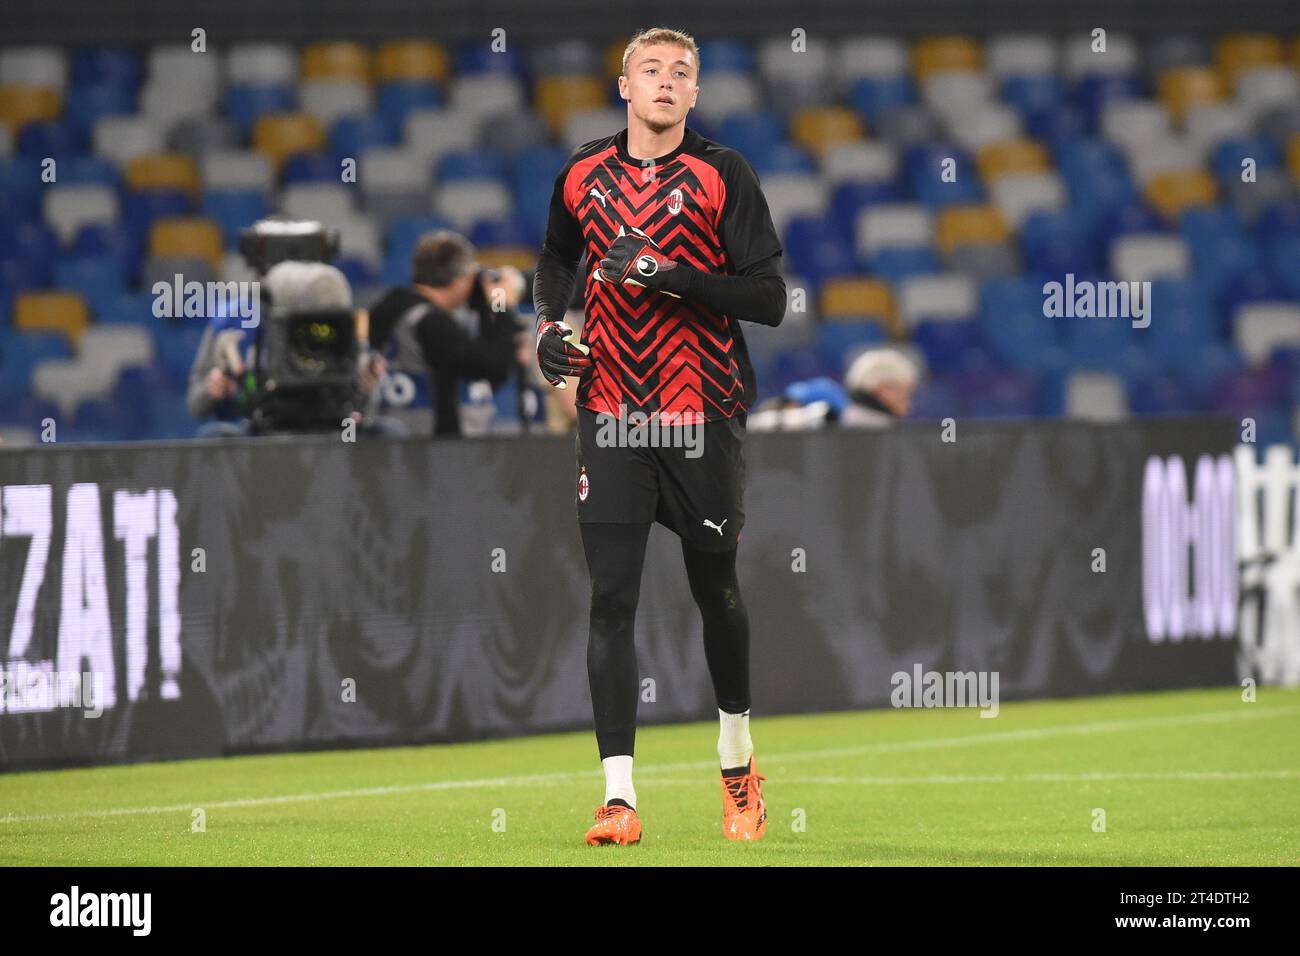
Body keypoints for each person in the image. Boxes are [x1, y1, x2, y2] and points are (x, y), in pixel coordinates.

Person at [532, 26, 787, 846]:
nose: (668, 82)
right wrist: (545, 328)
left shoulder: (724, 174)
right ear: (625, 86)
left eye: (683, 72)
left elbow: (770, 298)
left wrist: (670, 276)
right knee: (611, 600)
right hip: (611, 411)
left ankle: (737, 761)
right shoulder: (582, 172)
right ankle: (618, 799)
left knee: (717, 592)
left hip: (702, 412)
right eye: (653, 70)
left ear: (696, 92)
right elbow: (553, 259)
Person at [186, 260, 389, 436]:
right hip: (262, 433)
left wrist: (367, 387)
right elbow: (195, 403)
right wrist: (213, 388)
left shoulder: (338, 319)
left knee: (386, 433)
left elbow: (362, 405)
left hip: (337, 428)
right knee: (214, 435)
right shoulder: (233, 321)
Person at [367, 230, 526, 437]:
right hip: (427, 451)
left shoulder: (393, 308)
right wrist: (501, 304)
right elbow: (496, 365)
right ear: (460, 280)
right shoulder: (431, 323)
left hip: (394, 438)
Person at [840, 348, 919, 428]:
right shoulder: (875, 428)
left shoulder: (847, 418)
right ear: (883, 389)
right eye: (905, 395)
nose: (909, 406)